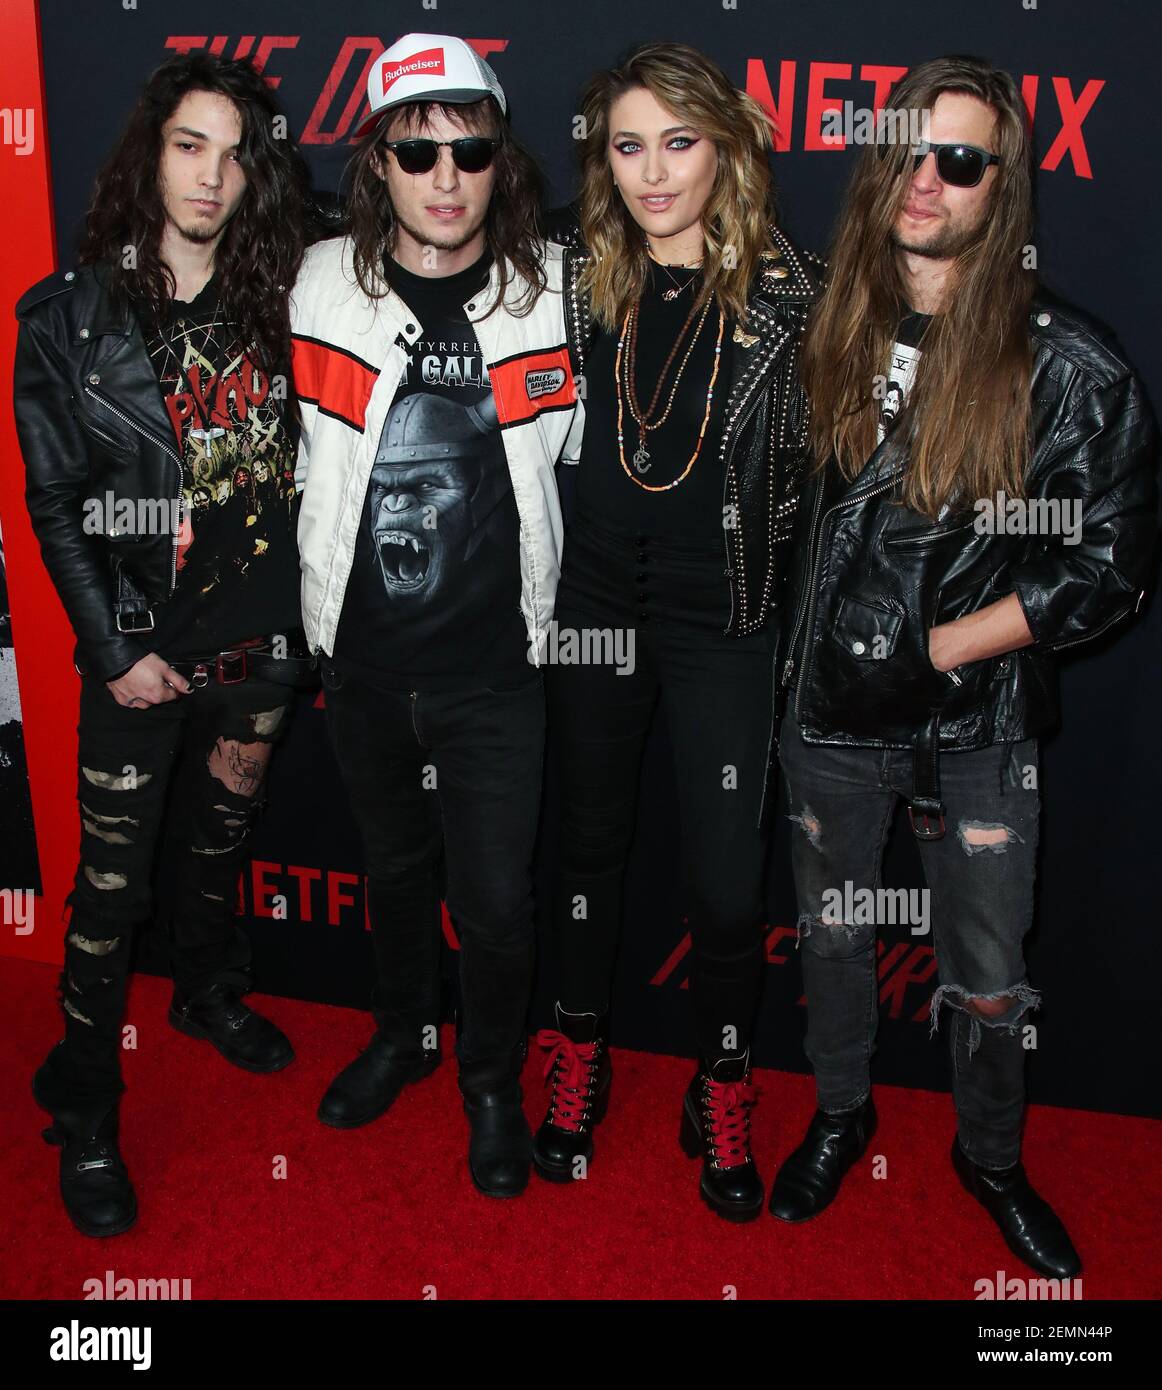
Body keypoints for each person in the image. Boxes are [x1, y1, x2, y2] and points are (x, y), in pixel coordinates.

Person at [771, 56, 1157, 1275]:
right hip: (827, 718)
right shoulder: (818, 323)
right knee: (833, 934)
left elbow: (1107, 565)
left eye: (962, 159)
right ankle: (842, 1115)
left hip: (976, 726)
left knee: (987, 977)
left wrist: (939, 646)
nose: (927, 180)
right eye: (909, 149)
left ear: (1003, 186)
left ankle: (989, 1159)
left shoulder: (1065, 364)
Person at [14, 53, 315, 1237]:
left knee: (218, 844)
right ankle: (84, 1104)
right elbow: (54, 505)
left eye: (236, 152)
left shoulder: (285, 290)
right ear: (149, 155)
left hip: (264, 645)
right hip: (144, 652)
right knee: (109, 891)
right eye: (191, 144)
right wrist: (109, 648)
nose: (213, 173)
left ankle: (209, 995)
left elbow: (442, 220)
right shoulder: (72, 316)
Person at [291, 33, 582, 1198]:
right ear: (378, 165)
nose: (446, 176)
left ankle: (492, 1080)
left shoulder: (560, 292)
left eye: (470, 149)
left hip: (496, 672)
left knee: (499, 902)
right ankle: (405, 1036)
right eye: (418, 152)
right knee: (392, 871)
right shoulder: (312, 284)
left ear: (501, 162)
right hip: (357, 663)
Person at [533, 42, 820, 1220]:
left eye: (680, 141)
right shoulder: (560, 270)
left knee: (723, 877)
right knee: (585, 846)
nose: (654, 172)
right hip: (594, 602)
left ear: (728, 146)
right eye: (629, 144)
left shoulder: (794, 301)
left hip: (722, 615)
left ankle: (723, 1078)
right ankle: (578, 1053)